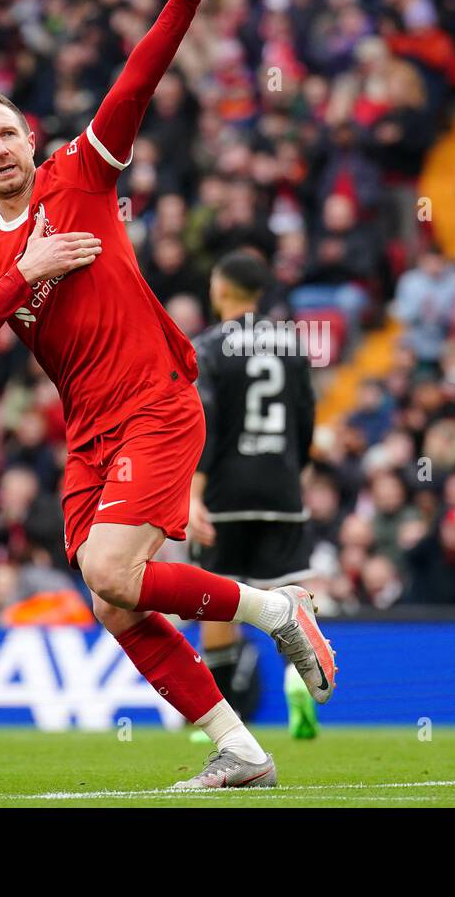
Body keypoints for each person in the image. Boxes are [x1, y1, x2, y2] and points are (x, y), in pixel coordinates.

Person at [0, 0, 336, 790]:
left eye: (8, 132)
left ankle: (276, 608)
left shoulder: (81, 173)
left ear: (30, 138)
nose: (0, 148)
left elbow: (134, 84)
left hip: (155, 398)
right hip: (89, 429)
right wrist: (24, 273)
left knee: (117, 568)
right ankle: (242, 750)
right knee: (110, 598)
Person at [188, 250, 320, 740]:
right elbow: (307, 419)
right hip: (282, 486)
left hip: (225, 491)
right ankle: (298, 680)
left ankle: (225, 721)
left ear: (221, 289)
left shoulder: (208, 347)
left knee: (215, 599)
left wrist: (193, 493)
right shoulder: (292, 344)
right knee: (289, 589)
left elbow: (206, 424)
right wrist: (297, 471)